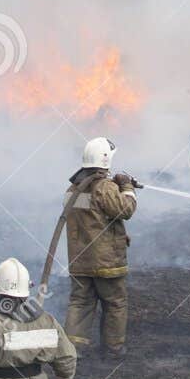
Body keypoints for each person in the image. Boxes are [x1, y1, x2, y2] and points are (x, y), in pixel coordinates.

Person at [61, 136, 138, 359]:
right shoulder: (104, 187)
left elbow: (91, 218)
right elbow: (126, 210)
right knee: (115, 303)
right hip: (106, 262)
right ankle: (113, 349)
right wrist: (127, 186)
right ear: (105, 160)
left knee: (80, 303)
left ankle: (71, 351)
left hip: (79, 260)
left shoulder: (73, 189)